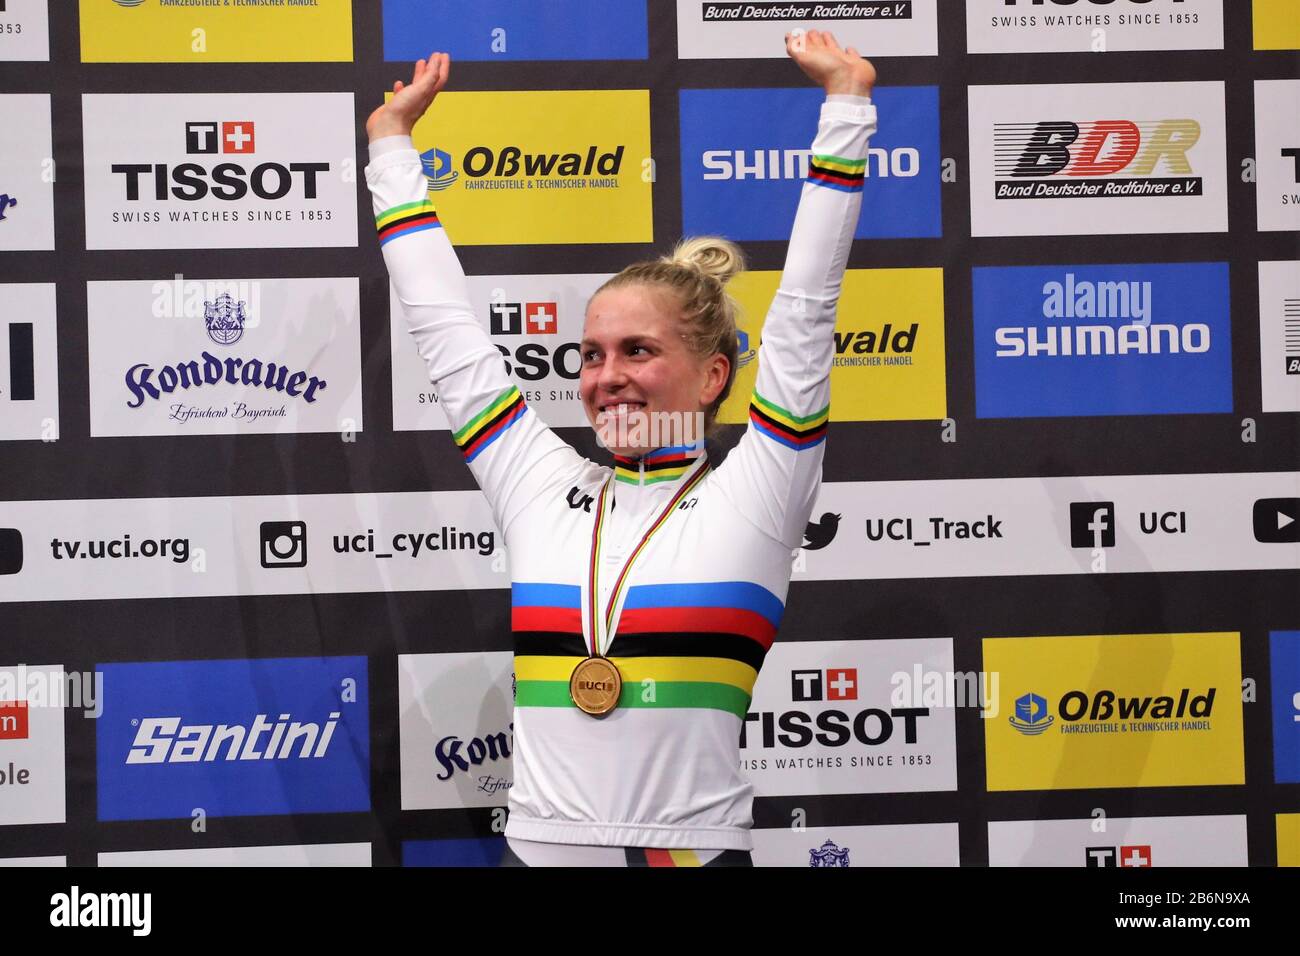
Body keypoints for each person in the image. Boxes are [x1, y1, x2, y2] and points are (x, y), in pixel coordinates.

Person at [365, 32, 878, 867]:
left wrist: (846, 107)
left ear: (714, 374)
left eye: (638, 351)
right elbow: (445, 330)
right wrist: (391, 145)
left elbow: (806, 311)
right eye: (592, 354)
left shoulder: (761, 485)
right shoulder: (538, 482)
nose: (607, 377)